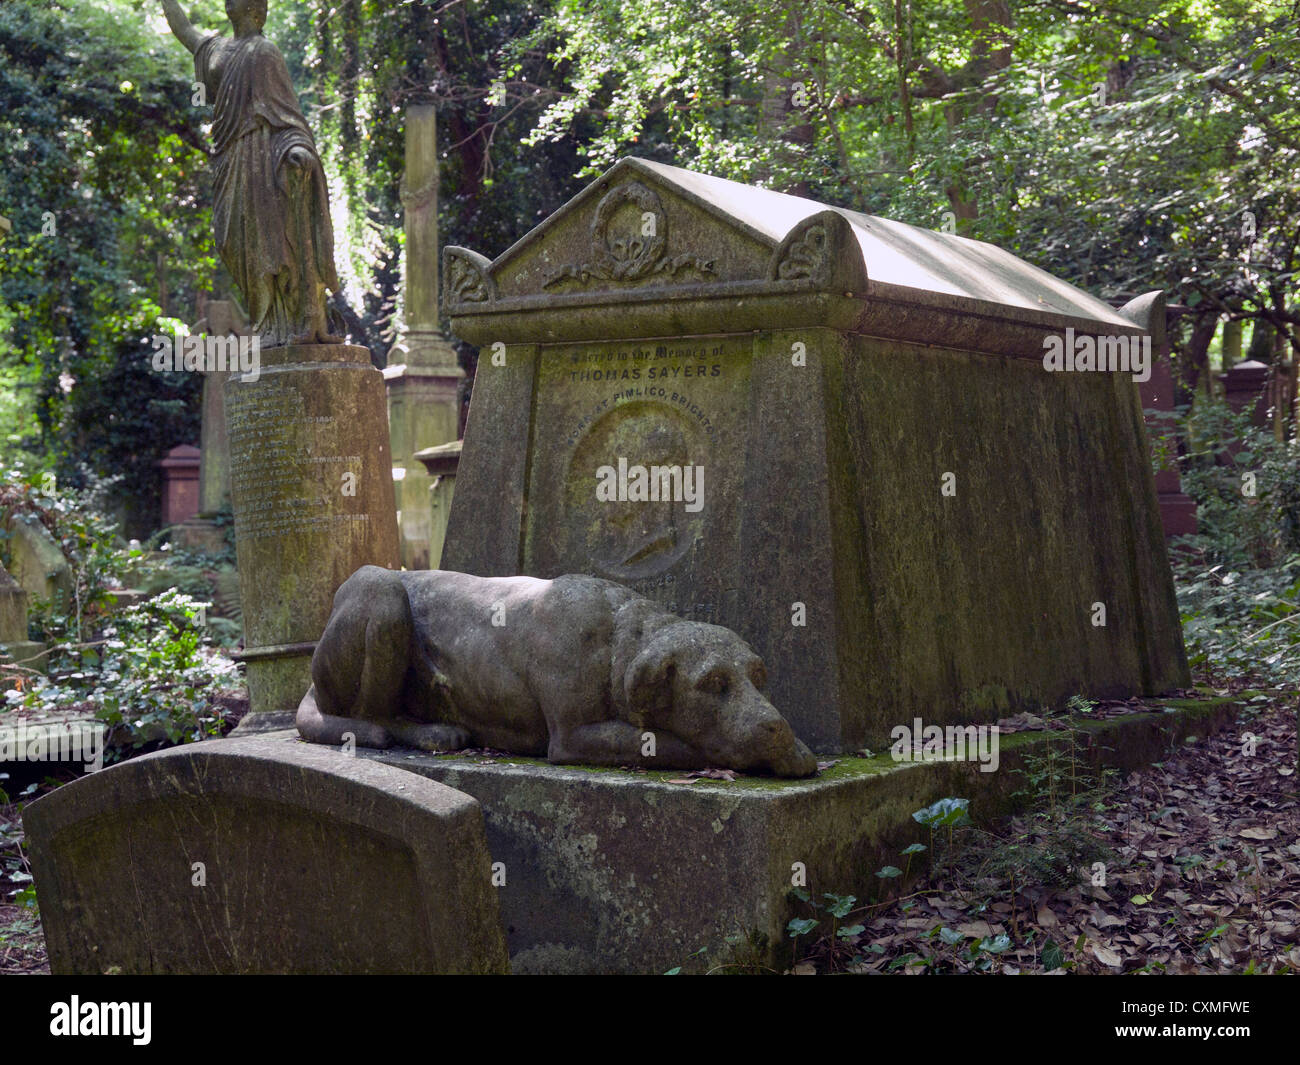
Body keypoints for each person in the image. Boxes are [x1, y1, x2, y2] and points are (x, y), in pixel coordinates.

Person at [162, 0, 342, 346]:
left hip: (263, 159)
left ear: (255, 9)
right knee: (232, 242)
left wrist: (297, 150)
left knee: (271, 243)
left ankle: (284, 323)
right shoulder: (216, 48)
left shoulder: (265, 52)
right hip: (230, 160)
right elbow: (183, 30)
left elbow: (287, 116)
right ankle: (264, 322)